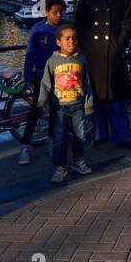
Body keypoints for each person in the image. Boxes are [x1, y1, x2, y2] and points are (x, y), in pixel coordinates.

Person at [74, 0, 131, 149]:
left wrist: (119, 43)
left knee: (117, 95)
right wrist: (85, 45)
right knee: (98, 96)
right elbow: (80, 20)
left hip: (113, 51)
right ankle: (101, 133)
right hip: (93, 52)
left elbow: (128, 22)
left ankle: (123, 136)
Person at [37, 24, 94, 184]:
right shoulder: (52, 61)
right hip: (59, 107)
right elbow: (46, 84)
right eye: (67, 39)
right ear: (58, 42)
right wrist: (41, 103)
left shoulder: (81, 59)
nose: (71, 42)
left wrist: (88, 104)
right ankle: (60, 166)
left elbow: (87, 83)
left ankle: (78, 161)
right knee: (59, 138)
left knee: (80, 135)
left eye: (74, 38)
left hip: (78, 105)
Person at [18, 0, 64, 165]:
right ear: (47, 12)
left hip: (59, 76)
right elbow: (30, 54)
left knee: (55, 110)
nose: (58, 15)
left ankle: (51, 140)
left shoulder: (64, 29)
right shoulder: (37, 30)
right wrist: (27, 76)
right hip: (42, 76)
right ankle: (25, 145)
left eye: (60, 12)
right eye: (55, 12)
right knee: (36, 110)